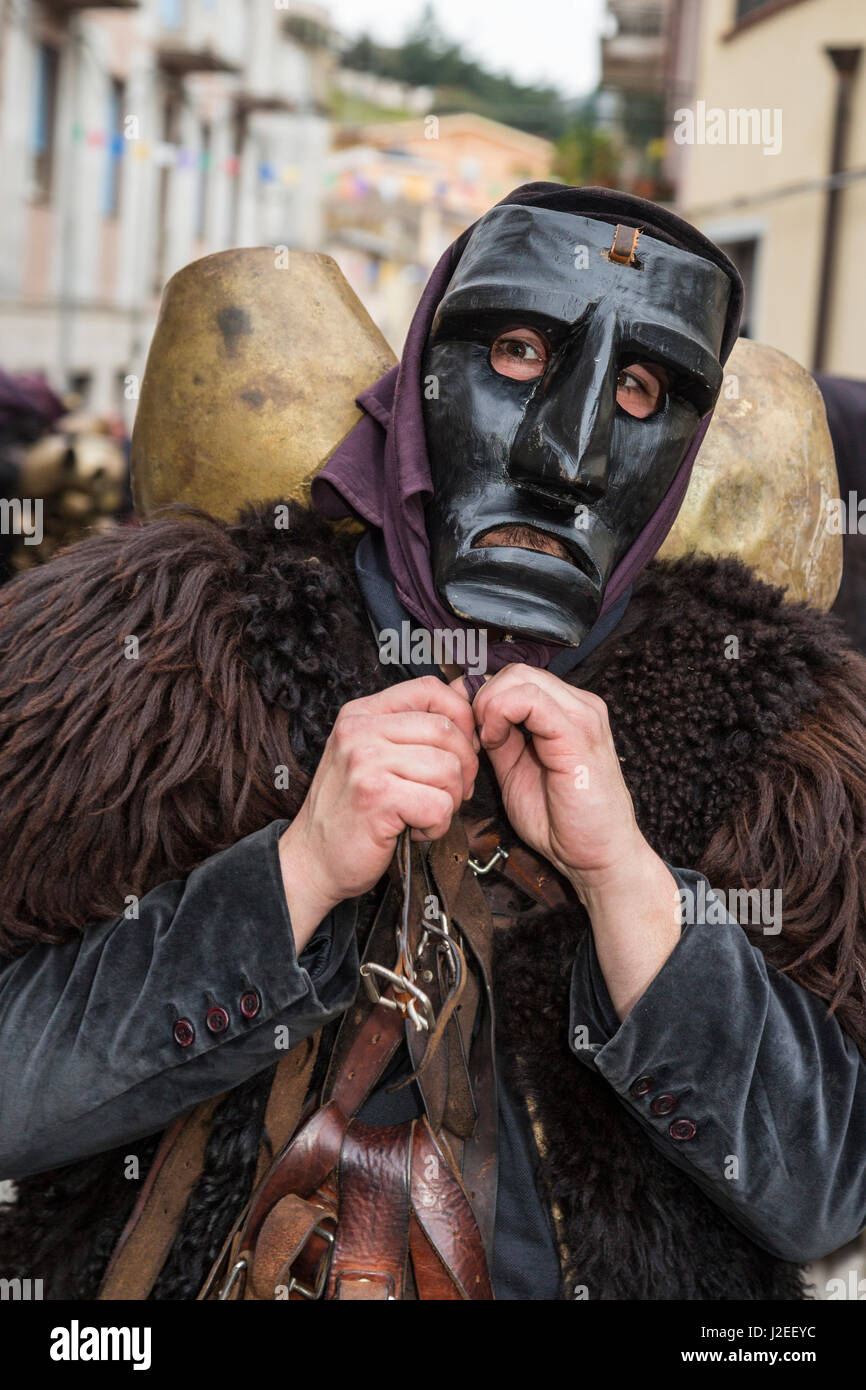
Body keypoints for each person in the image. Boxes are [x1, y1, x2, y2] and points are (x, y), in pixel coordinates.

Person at [1, 183, 866, 1301]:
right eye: (515, 350)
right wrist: (290, 875)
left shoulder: (766, 732)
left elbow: (826, 1190)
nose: (568, 454)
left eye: (642, 387)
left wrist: (633, 890)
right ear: (417, 376)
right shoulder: (174, 658)